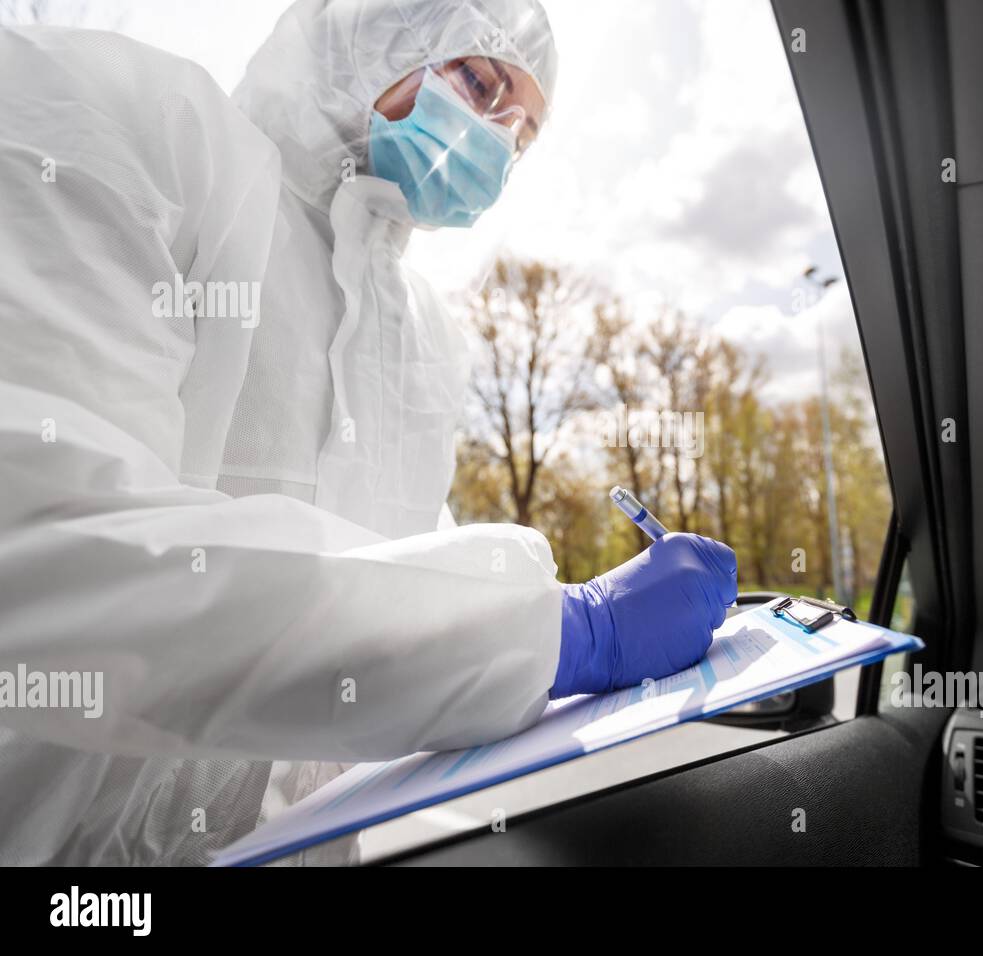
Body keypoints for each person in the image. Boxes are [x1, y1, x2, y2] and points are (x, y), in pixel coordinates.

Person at [0, 0, 736, 865]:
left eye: (522, 135)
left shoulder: (418, 331)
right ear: (367, 22)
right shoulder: (120, 120)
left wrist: (555, 605)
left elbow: (402, 559)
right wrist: (556, 632)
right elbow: (54, 552)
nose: (494, 141)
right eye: (479, 82)